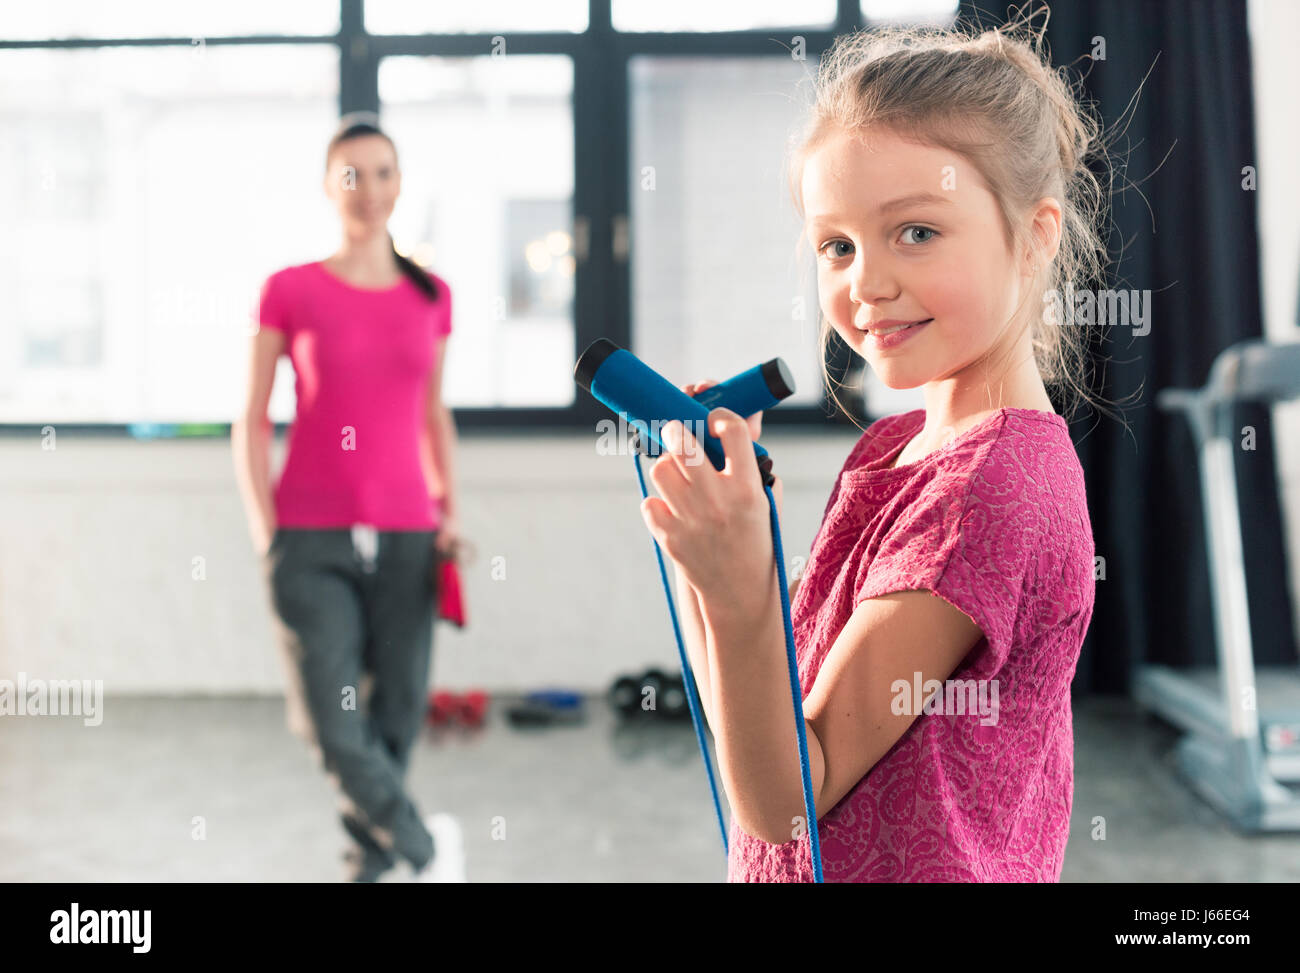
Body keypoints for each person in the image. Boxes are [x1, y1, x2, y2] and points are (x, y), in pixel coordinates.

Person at [644, 9, 1106, 881]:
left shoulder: (991, 487)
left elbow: (788, 798)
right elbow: (756, 714)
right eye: (837, 245)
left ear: (1036, 233)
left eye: (917, 232)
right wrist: (702, 554)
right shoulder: (894, 450)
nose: (868, 283)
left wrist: (739, 589)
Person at [232, 112, 465, 882]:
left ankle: (367, 861)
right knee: (334, 723)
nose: (370, 189)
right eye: (352, 174)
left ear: (400, 184)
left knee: (395, 718)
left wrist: (449, 510)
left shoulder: (432, 296)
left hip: (408, 533)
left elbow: (433, 412)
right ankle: (426, 852)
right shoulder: (289, 289)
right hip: (309, 535)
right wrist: (266, 527)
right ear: (329, 187)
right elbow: (252, 413)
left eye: (384, 172)